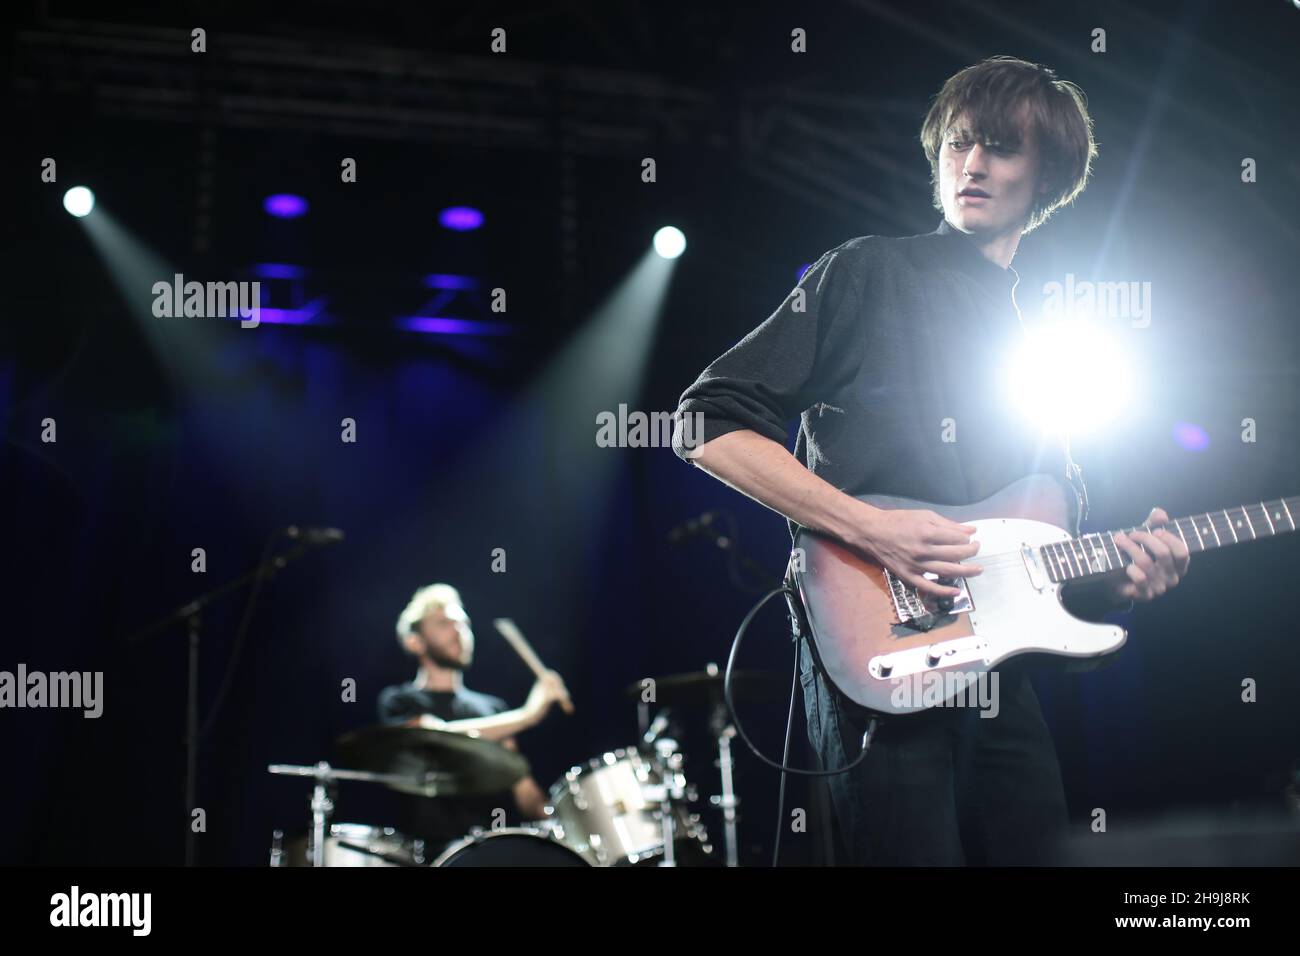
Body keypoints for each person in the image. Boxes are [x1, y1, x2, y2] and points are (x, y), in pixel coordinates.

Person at [671, 56, 1190, 865]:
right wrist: (872, 529)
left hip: (999, 683)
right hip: (880, 639)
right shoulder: (869, 271)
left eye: (1000, 149)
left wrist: (1121, 578)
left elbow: (1036, 544)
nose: (972, 165)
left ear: (1046, 176)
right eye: (957, 145)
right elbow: (704, 421)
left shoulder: (1039, 337)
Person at [378, 583, 569, 846]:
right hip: (430, 853)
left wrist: (569, 820)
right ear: (415, 641)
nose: (459, 631)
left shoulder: (493, 709)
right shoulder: (399, 701)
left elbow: (523, 789)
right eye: (444, 623)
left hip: (491, 852)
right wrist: (528, 715)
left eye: (463, 624)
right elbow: (430, 736)